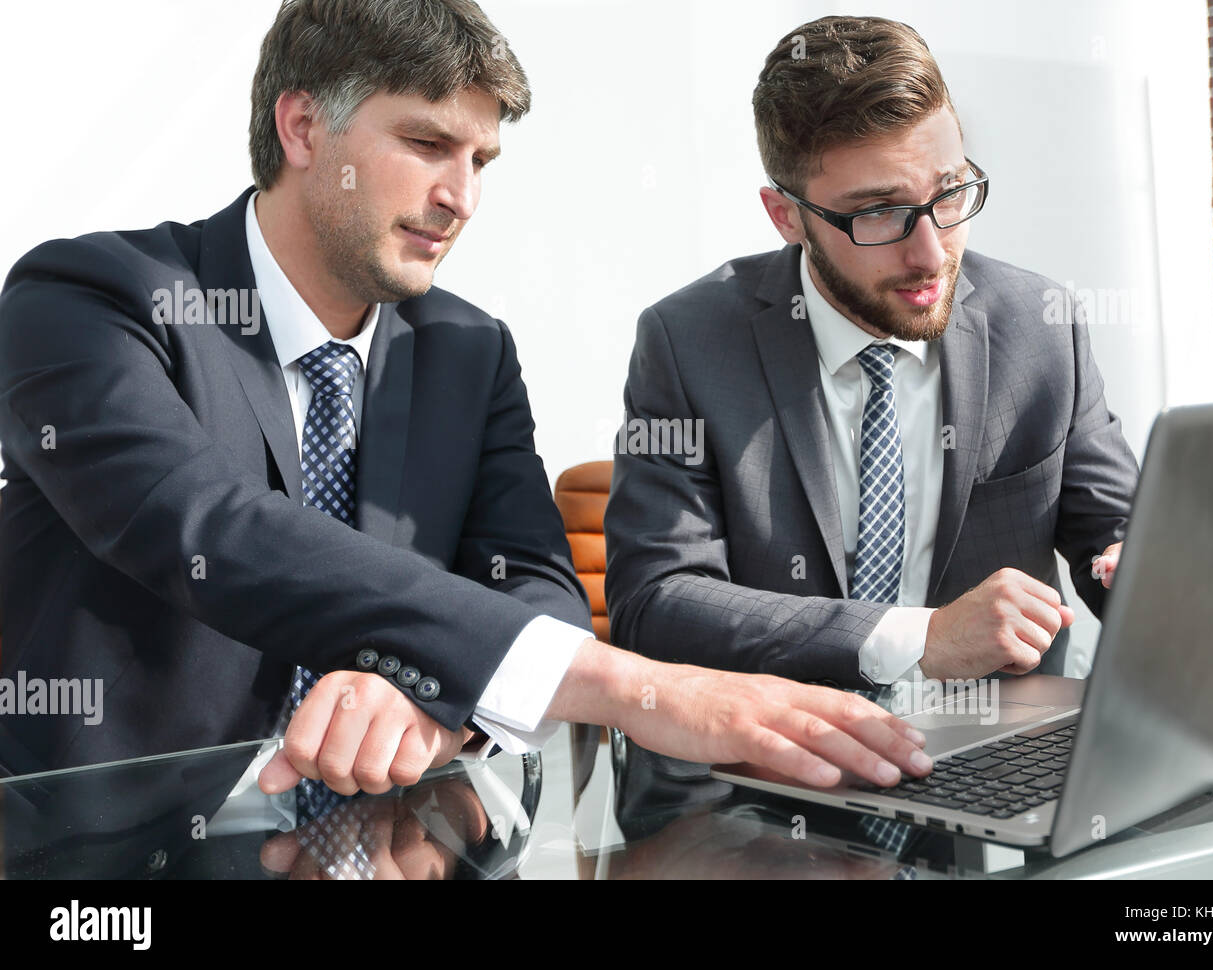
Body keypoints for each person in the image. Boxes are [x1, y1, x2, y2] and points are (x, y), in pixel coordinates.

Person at [0, 0, 931, 832]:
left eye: (480, 159)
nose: (463, 197)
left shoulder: (467, 348)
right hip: (97, 855)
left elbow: (534, 580)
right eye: (426, 144)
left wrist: (432, 695)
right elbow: (210, 526)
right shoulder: (90, 298)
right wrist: (632, 687)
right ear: (301, 127)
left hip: (398, 837)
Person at [605, 15, 1140, 697]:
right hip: (781, 763)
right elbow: (654, 602)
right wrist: (919, 640)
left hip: (1002, 753)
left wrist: (1146, 573)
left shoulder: (1041, 328)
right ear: (786, 217)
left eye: (949, 193)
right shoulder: (688, 343)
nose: (930, 254)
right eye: (878, 214)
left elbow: (1114, 537)